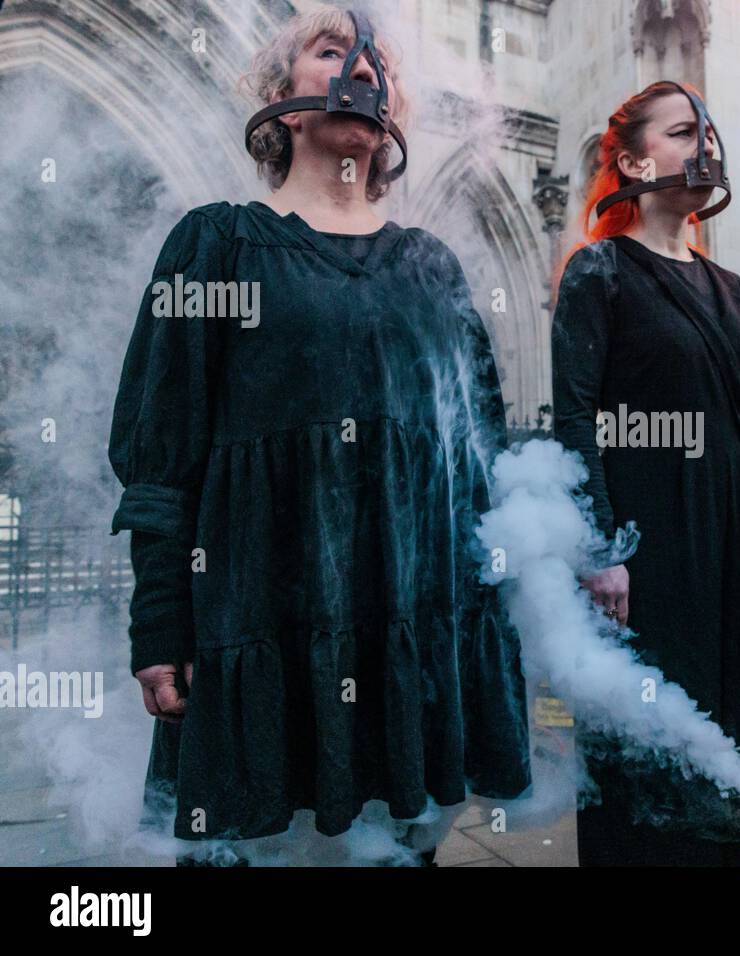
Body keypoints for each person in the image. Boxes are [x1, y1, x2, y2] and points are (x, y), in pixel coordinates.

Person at [108, 8, 529, 864]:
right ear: (280, 100)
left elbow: (480, 463)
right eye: (332, 50)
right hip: (261, 623)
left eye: (375, 59)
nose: (361, 68)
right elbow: (163, 455)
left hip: (408, 634)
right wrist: (158, 627)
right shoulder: (217, 246)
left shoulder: (432, 268)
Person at [551, 81, 740, 866]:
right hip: (650, 546)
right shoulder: (600, 273)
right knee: (654, 747)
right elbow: (574, 416)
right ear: (630, 159)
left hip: (735, 541)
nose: (707, 146)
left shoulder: (728, 287)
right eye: (684, 130)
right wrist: (601, 547)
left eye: (711, 132)